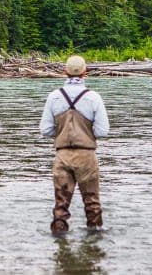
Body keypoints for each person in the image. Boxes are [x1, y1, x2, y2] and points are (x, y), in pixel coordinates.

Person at [39, 55, 109, 234]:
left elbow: (45, 130)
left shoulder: (54, 97)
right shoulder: (93, 97)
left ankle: (60, 246)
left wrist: (62, 133)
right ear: (85, 72)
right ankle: (94, 240)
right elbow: (102, 131)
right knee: (92, 201)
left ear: (65, 72)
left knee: (61, 205)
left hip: (62, 155)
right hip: (86, 156)